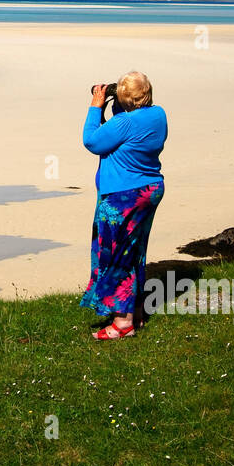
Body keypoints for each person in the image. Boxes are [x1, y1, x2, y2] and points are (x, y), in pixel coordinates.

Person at [79, 70, 167, 340]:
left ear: (124, 100)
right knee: (134, 252)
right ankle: (136, 311)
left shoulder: (124, 123)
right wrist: (118, 108)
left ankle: (122, 323)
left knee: (115, 255)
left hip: (122, 197)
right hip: (149, 189)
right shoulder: (158, 114)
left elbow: (92, 141)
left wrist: (96, 106)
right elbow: (121, 135)